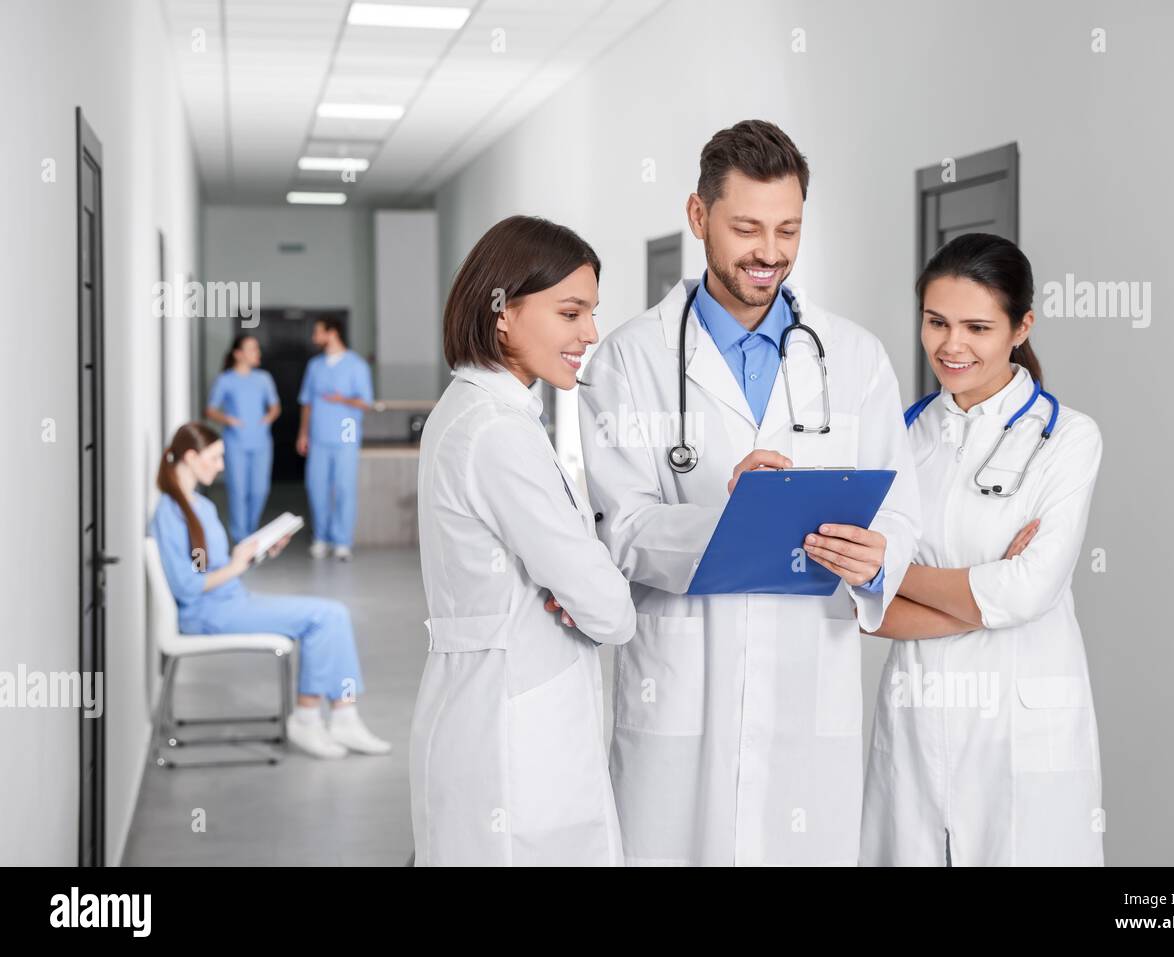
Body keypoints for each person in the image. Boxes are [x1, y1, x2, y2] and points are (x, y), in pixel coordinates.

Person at [576, 120, 923, 865]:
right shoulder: (629, 360)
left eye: (789, 229)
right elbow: (625, 528)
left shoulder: (855, 357)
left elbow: (900, 502)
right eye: (747, 227)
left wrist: (875, 553)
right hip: (681, 695)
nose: (770, 251)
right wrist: (733, 523)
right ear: (699, 217)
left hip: (809, 688)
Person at [861, 233, 1104, 866]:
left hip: (1020, 732)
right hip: (915, 726)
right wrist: (985, 589)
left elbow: (1031, 589)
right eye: (936, 322)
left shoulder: (1068, 438)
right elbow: (858, 602)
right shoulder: (899, 438)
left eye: (977, 326)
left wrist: (897, 572)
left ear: (1021, 327)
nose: (951, 345)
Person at [410, 215, 636, 866]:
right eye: (571, 312)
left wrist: (581, 576)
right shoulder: (496, 433)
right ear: (502, 311)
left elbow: (584, 587)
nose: (589, 333)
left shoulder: (475, 412)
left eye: (591, 313)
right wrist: (592, 583)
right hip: (510, 745)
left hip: (495, 716)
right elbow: (612, 611)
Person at [150, 421, 391, 760]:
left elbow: (213, 569)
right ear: (190, 457)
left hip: (229, 602)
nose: (221, 467)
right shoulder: (169, 514)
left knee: (333, 614)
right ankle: (310, 718)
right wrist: (236, 565)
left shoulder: (200, 508)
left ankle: (344, 715)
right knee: (327, 615)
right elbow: (187, 586)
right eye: (216, 458)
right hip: (207, 615)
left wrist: (254, 554)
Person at [296, 316, 373, 561]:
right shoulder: (314, 366)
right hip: (319, 435)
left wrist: (343, 400)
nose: (314, 337)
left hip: (346, 436)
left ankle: (342, 541)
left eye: (317, 332)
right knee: (317, 487)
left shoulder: (356, 365)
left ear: (332, 333)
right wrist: (303, 433)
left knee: (343, 489)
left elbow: (366, 402)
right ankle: (321, 537)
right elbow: (306, 402)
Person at [205, 334, 280, 542]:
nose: (258, 353)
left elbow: (275, 406)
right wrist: (227, 419)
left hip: (261, 441)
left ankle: (252, 530)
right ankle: (241, 537)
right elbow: (210, 410)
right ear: (238, 354)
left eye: (257, 349)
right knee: (238, 491)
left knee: (259, 490)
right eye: (252, 349)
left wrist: (269, 417)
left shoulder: (264, 379)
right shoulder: (225, 380)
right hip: (235, 442)